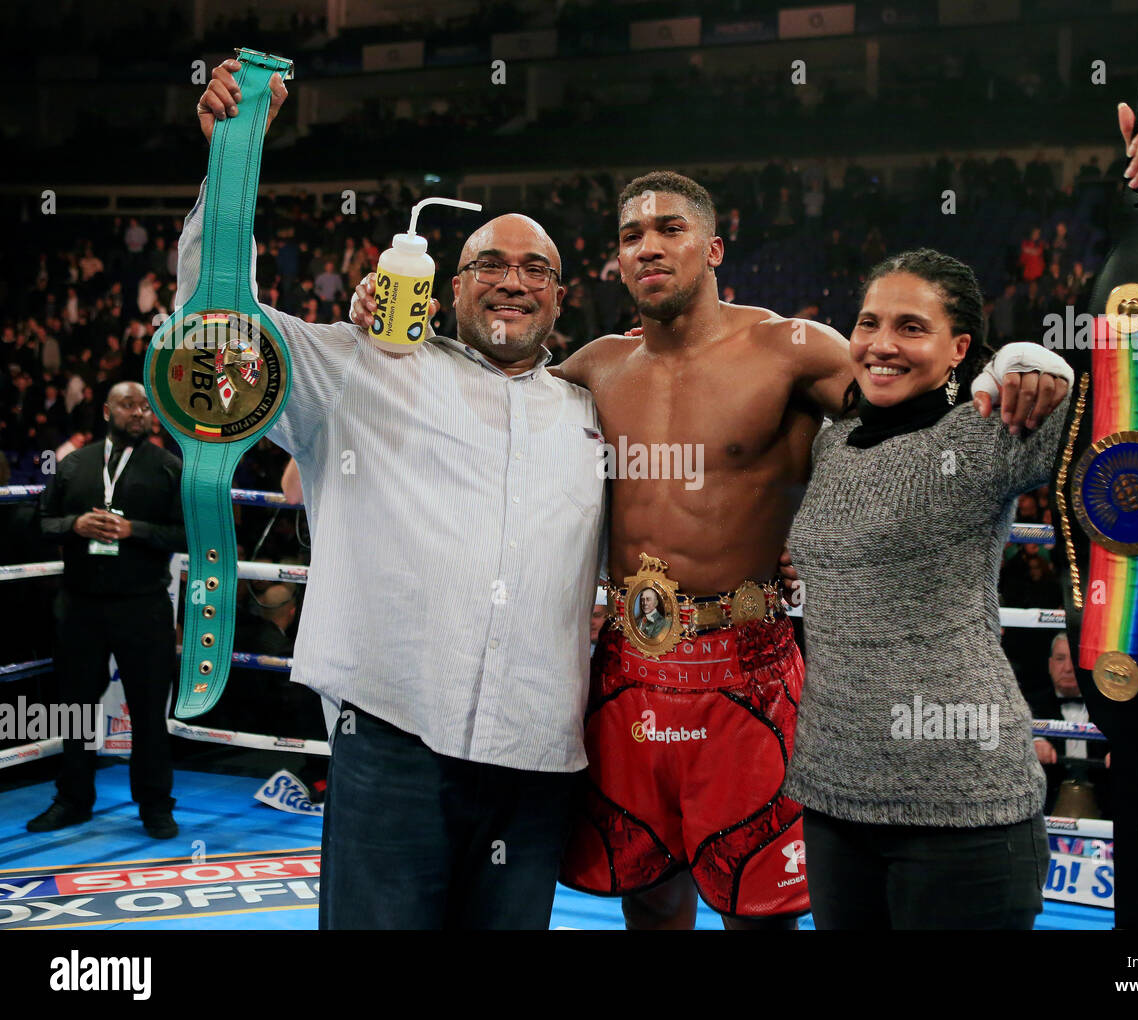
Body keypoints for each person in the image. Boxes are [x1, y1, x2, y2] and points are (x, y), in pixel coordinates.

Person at [353, 174, 1063, 929]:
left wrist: (1019, 362)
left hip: (750, 672)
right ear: (616, 262)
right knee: (651, 902)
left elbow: (912, 401)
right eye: (631, 236)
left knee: (759, 910)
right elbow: (489, 417)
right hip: (629, 674)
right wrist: (387, 340)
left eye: (670, 228)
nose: (649, 246)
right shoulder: (591, 369)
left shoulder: (790, 349)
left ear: (714, 247)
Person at [187, 59, 605, 929]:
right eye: (488, 263)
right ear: (450, 286)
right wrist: (232, 162)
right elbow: (217, 324)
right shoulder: (358, 371)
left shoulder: (592, 415)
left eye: (536, 268)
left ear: (560, 299)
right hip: (390, 738)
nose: (512, 280)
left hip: (533, 754)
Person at [782, 101, 1138, 929]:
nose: (881, 343)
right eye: (868, 322)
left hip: (962, 805)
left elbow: (1132, 420)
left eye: (911, 326)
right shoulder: (833, 443)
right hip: (829, 798)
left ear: (960, 348)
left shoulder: (995, 424)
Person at [27, 381, 185, 839]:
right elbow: (40, 523)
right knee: (73, 706)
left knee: (149, 710)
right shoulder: (74, 464)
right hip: (81, 605)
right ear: (106, 410)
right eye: (128, 405)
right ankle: (72, 799)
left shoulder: (169, 468)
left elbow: (185, 536)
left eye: (144, 406)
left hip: (144, 606)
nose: (139, 413)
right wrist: (75, 524)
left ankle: (155, 805)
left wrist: (134, 529)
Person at [1028, 633, 1109, 818]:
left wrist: (1123, 751)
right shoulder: (1029, 703)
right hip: (1045, 807)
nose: (1068, 668)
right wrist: (1036, 739)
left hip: (1104, 807)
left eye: (1075, 659)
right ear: (1050, 665)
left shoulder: (1110, 706)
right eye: (1060, 659)